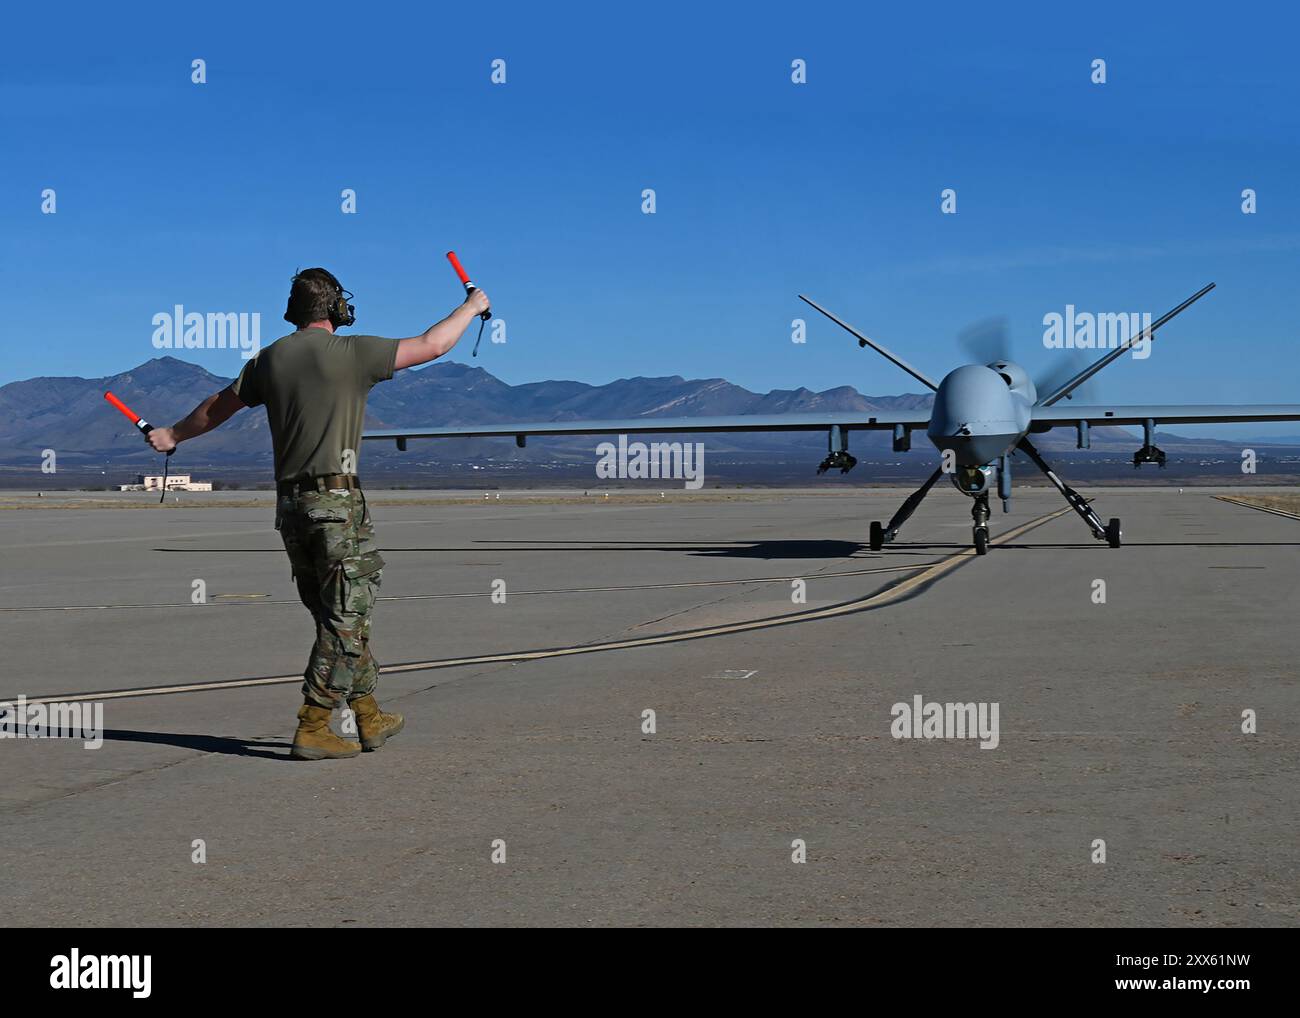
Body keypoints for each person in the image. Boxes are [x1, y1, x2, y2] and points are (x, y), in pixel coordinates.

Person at [146, 267, 490, 760]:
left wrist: (173, 435)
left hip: (291, 507)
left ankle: (368, 716)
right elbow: (434, 344)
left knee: (334, 615)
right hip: (337, 503)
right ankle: (313, 724)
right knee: (347, 617)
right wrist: (472, 307)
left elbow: (216, 408)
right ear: (335, 308)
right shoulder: (354, 354)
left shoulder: (268, 360)